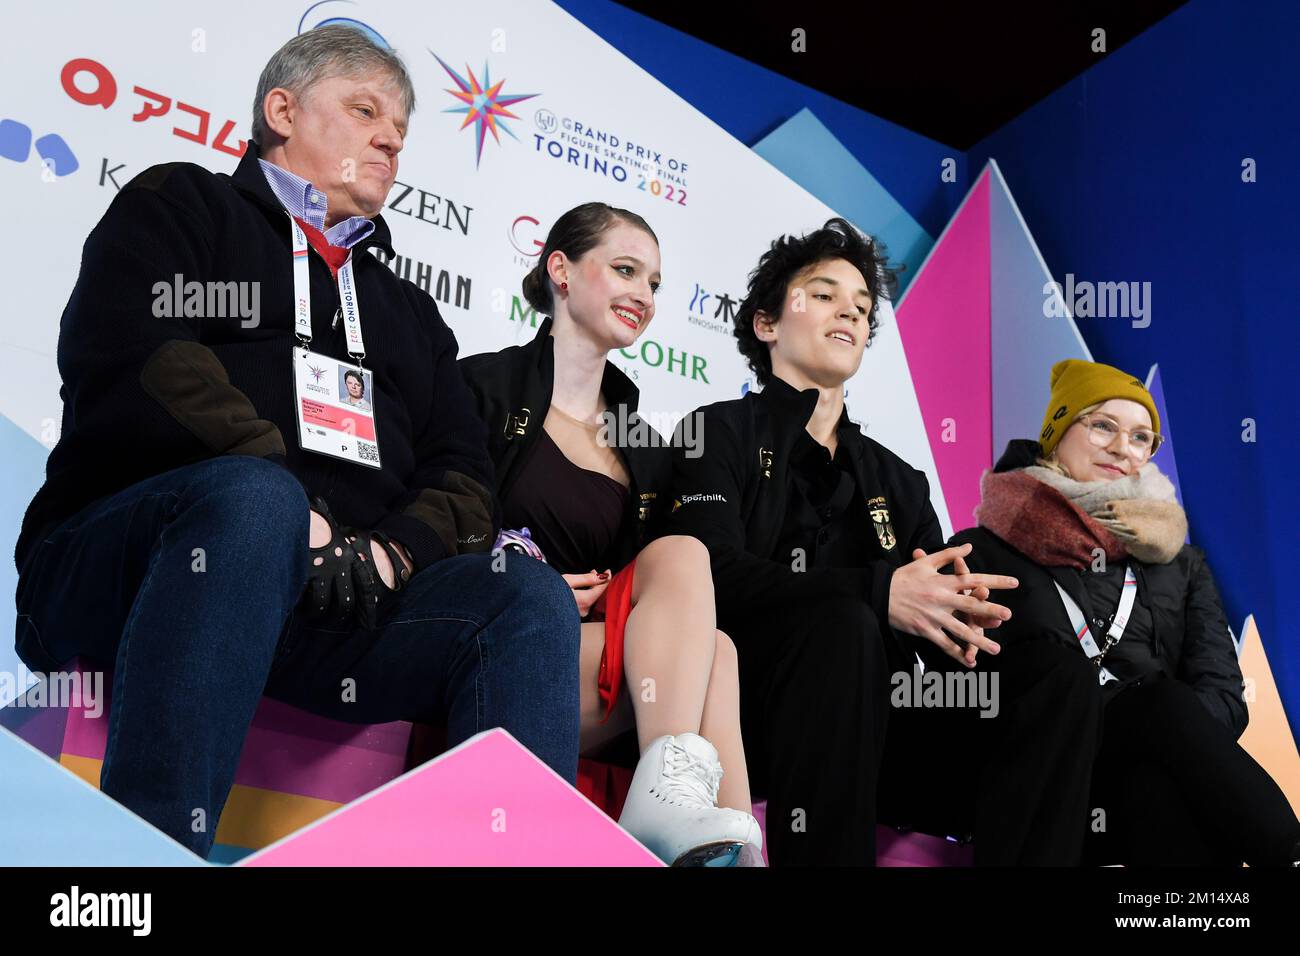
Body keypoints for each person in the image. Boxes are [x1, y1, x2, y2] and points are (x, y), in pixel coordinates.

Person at [13, 25, 581, 860]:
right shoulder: (186, 204)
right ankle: (149, 863)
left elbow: (463, 473)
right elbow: (138, 356)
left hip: (339, 601)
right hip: (144, 565)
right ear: (281, 109)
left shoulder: (410, 313)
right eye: (364, 110)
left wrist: (389, 555)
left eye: (400, 130)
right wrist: (293, 509)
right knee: (252, 501)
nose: (390, 138)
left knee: (526, 599)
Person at [662, 218, 1027, 865]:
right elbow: (705, 575)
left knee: (1049, 675)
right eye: (823, 294)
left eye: (861, 307)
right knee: (843, 623)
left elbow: (935, 620)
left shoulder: (900, 479)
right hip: (751, 721)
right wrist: (877, 591)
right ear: (767, 324)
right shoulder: (716, 431)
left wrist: (968, 622)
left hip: (890, 735)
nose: (849, 314)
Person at [459, 203, 762, 865]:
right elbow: (434, 517)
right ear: (560, 270)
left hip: (596, 666)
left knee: (715, 638)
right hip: (495, 642)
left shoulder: (643, 445)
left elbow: (648, 592)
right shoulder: (480, 386)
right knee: (709, 641)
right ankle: (690, 816)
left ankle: (724, 836)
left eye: (654, 282)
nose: (644, 295)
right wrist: (517, 583)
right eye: (626, 270)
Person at [950, 358, 1300, 866]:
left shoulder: (1178, 561)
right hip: (1044, 773)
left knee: (1156, 767)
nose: (1122, 448)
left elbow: (1224, 694)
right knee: (1160, 711)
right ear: (1056, 431)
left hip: (1148, 778)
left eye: (1141, 437)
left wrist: (1160, 737)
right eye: (1102, 426)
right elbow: (969, 691)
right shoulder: (981, 551)